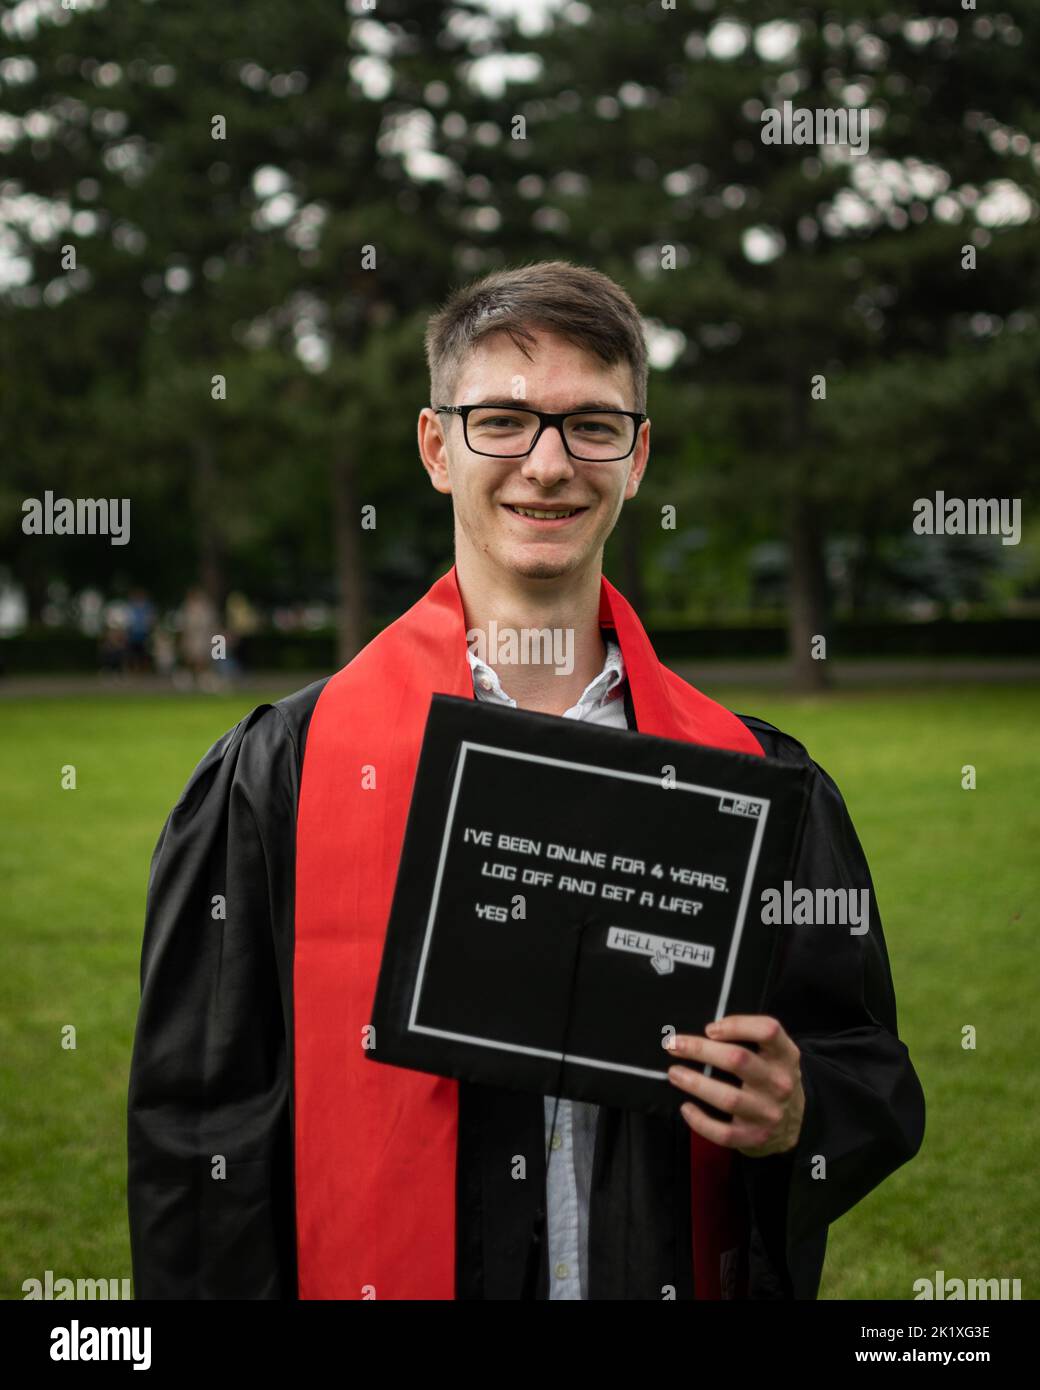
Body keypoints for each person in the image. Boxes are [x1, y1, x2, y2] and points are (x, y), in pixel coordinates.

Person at [127, 260, 925, 1300]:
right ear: (434, 446)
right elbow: (200, 1147)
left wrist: (802, 1106)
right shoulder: (280, 774)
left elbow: (865, 1068)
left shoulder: (750, 783)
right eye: (500, 420)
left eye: (590, 425)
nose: (546, 465)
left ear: (636, 458)